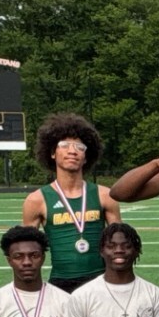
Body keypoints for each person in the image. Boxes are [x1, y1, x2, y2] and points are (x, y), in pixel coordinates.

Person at [22, 113, 119, 291]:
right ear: (52, 152)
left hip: (101, 282)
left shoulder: (105, 195)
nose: (72, 151)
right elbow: (26, 251)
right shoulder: (36, 200)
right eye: (64, 145)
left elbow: (119, 244)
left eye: (80, 147)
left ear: (87, 156)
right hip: (60, 284)